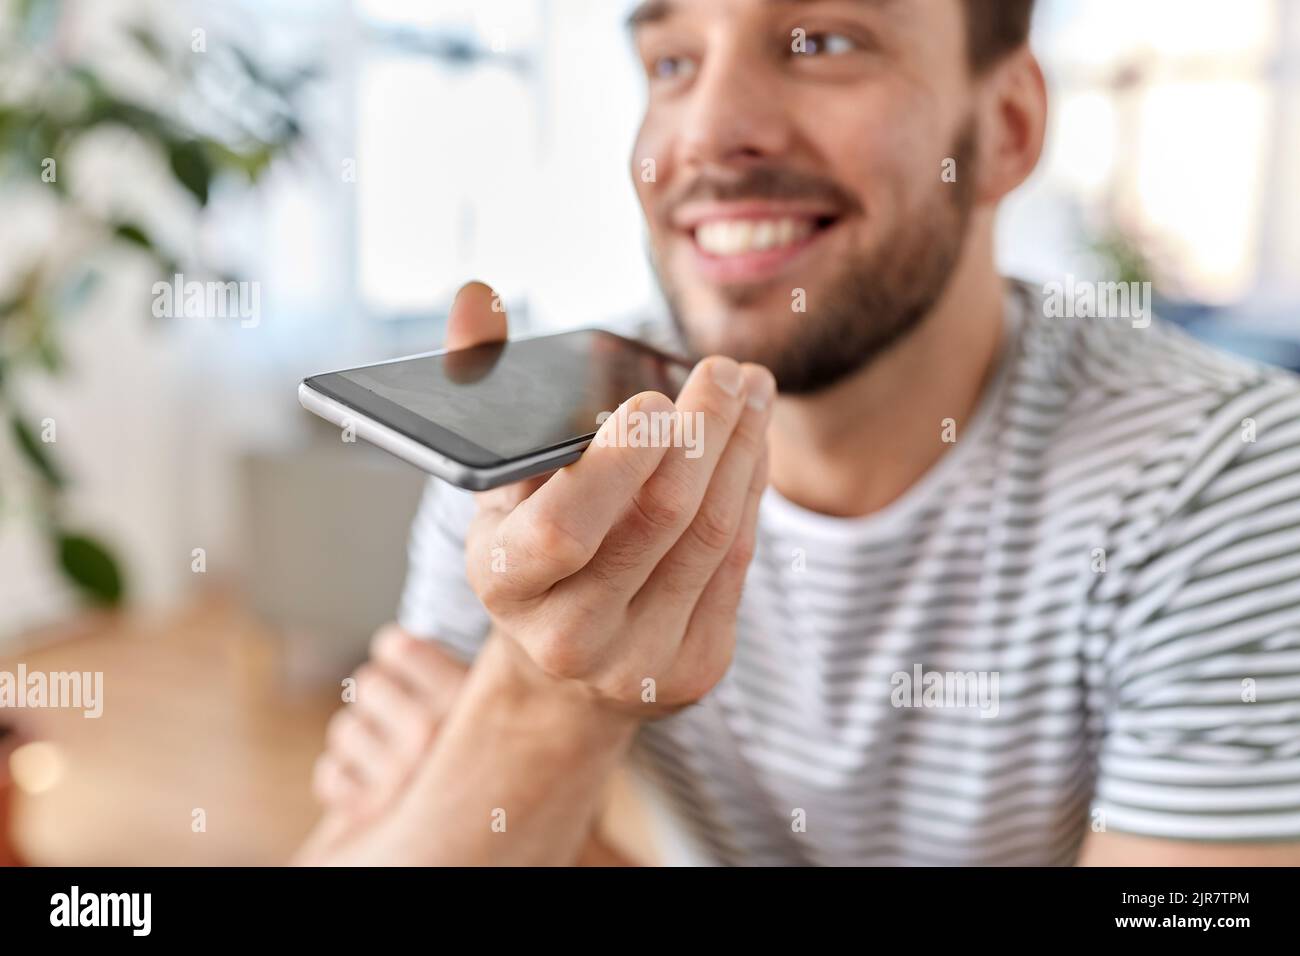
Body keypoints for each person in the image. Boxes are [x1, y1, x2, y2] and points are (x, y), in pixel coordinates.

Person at [297, 0, 1300, 865]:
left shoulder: (1226, 474)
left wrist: (560, 833)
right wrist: (555, 699)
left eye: (820, 40)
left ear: (1003, 128)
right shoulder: (549, 459)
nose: (710, 129)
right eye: (672, 61)